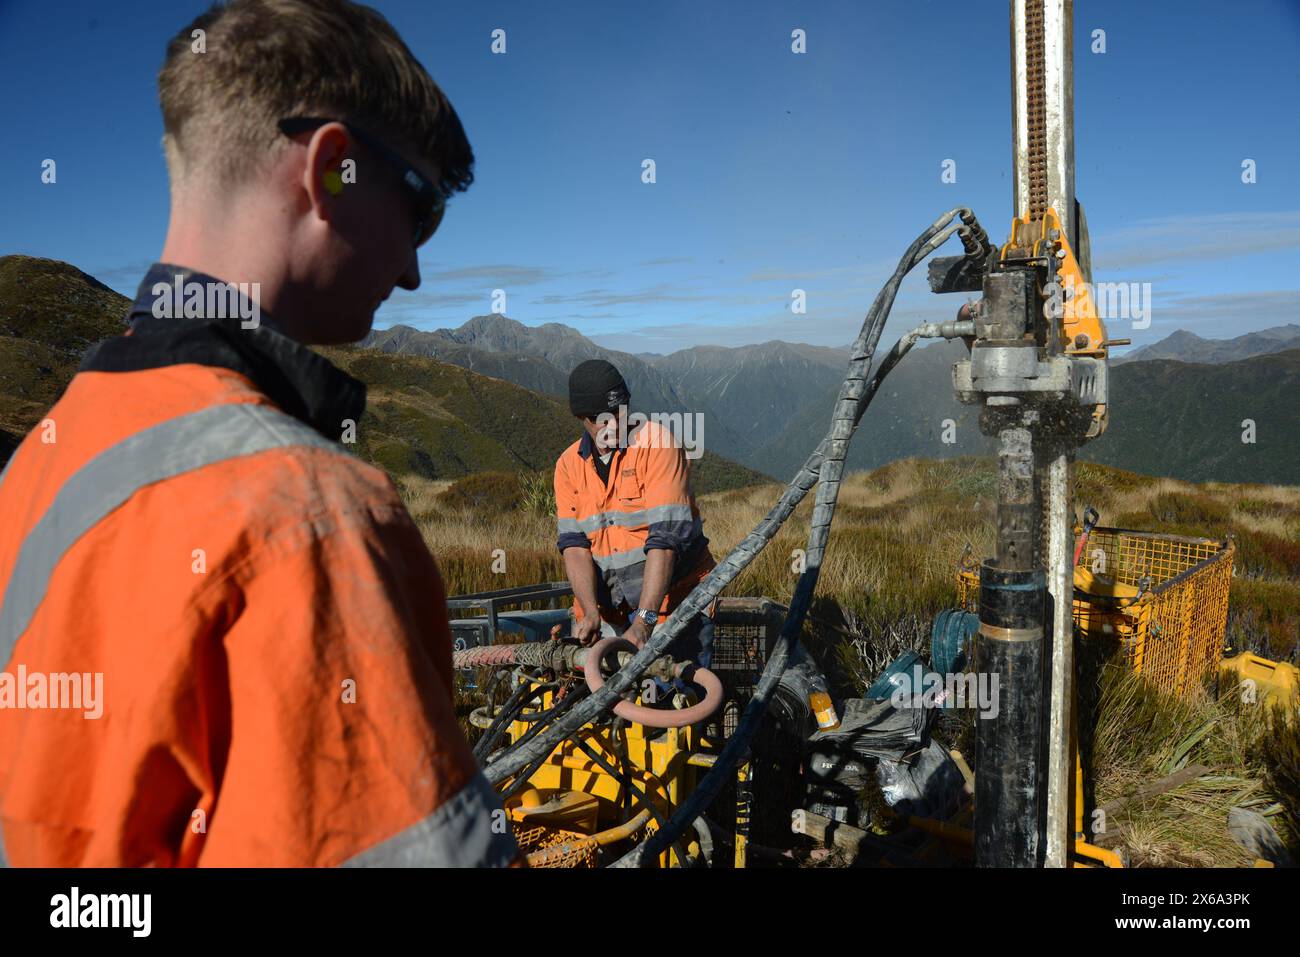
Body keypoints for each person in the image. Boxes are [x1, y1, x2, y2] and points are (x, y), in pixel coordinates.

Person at [0, 0, 516, 867]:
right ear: (334, 171)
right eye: (420, 209)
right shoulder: (310, 516)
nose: (418, 271)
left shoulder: (43, 460)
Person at [554, 360, 717, 685]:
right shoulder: (569, 466)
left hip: (673, 605)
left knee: (672, 707)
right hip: (610, 610)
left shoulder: (657, 445)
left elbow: (666, 540)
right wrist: (589, 612)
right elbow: (574, 546)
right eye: (604, 418)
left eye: (622, 411)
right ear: (582, 419)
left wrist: (644, 621)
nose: (617, 422)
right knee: (606, 710)